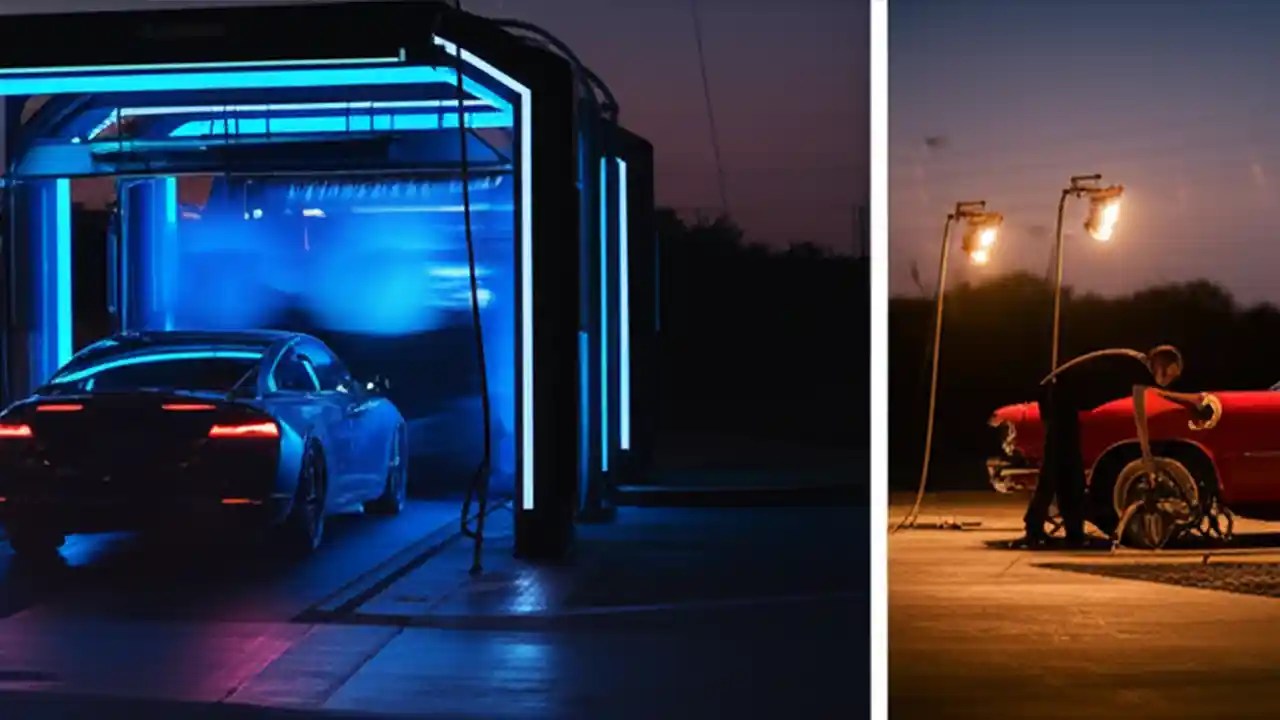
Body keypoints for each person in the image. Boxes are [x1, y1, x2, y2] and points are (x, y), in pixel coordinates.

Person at [1013, 345, 1212, 548]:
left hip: (1060, 397)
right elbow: (1140, 416)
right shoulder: (1138, 369)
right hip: (1058, 397)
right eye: (1169, 375)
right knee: (1056, 467)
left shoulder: (1138, 365)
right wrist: (1147, 455)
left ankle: (1073, 532)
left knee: (1071, 470)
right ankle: (1034, 529)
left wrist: (1191, 399)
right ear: (1160, 366)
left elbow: (1156, 392)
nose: (1169, 382)